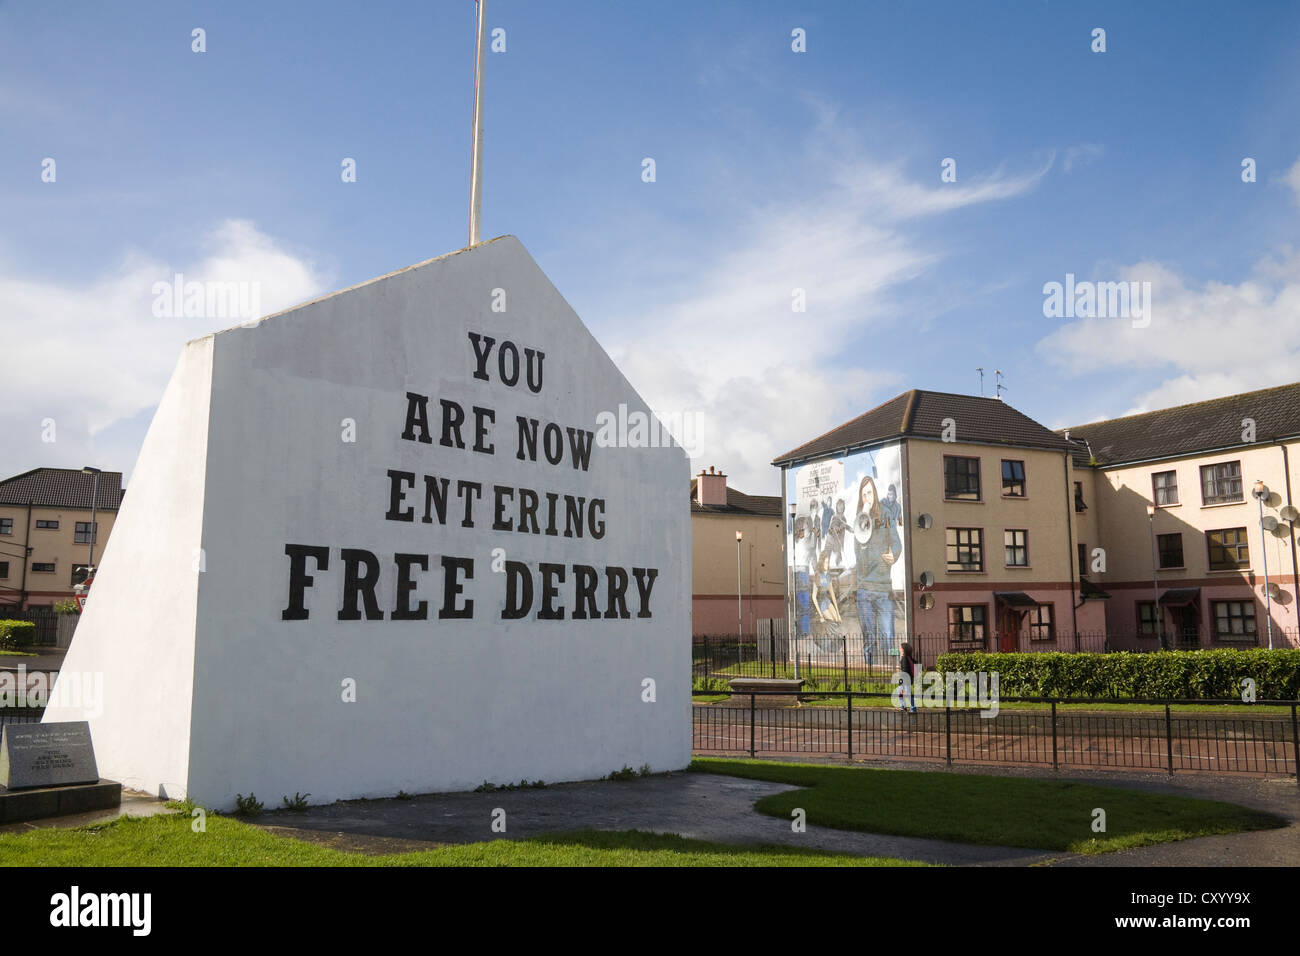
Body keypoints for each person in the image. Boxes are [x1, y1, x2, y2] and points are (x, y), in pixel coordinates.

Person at [852, 475, 901, 667]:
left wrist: (894, 554)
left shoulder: (886, 514)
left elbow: (896, 542)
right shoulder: (859, 520)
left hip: (883, 588)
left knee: (888, 635)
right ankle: (870, 671)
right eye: (863, 494)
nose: (867, 498)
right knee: (869, 638)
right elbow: (858, 554)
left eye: (870, 493)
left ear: (875, 492)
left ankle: (891, 668)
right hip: (864, 589)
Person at [898, 641, 919, 713]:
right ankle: (902, 706)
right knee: (901, 692)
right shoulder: (909, 658)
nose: (899, 649)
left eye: (900, 648)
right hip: (908, 678)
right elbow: (916, 664)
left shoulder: (904, 658)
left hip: (905, 679)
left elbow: (905, 670)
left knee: (907, 693)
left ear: (904, 650)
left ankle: (913, 708)